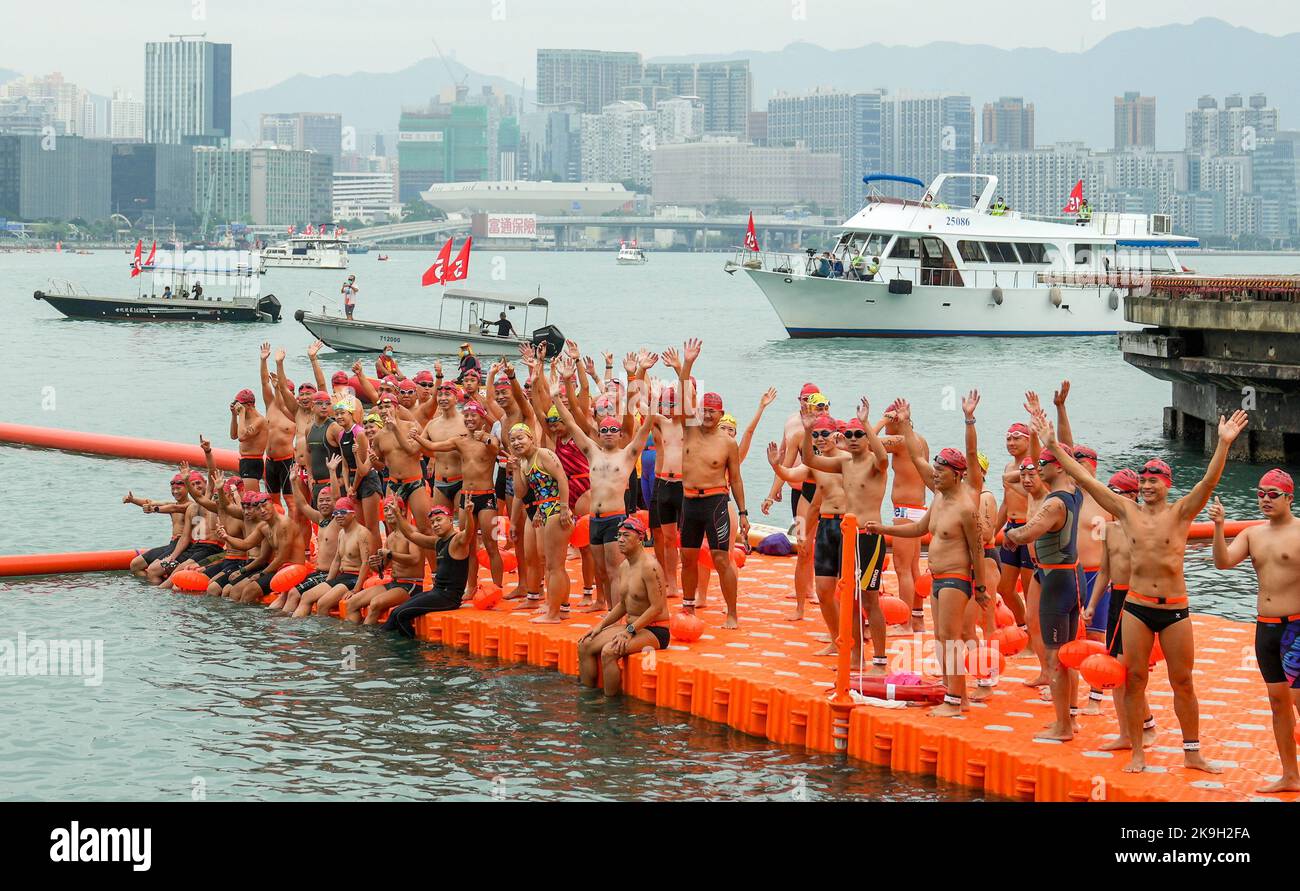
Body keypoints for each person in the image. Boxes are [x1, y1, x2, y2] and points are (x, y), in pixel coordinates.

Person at [1036, 407, 1249, 774]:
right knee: (1134, 678)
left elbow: (1209, 482)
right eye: (1144, 482)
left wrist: (1224, 442)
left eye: (1155, 481)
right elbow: (1087, 482)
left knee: (1182, 681)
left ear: (1167, 484)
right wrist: (1054, 446)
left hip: (1175, 608)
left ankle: (1192, 752)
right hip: (1135, 606)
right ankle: (1137, 750)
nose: (1148, 487)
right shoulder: (1125, 511)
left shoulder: (1181, 513)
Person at [867, 445, 988, 717]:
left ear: (957, 475)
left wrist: (980, 587)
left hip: (956, 578)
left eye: (941, 472)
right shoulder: (940, 500)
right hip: (937, 577)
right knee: (940, 637)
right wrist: (883, 529)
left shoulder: (966, 508)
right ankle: (957, 694)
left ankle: (955, 701)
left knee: (950, 639)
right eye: (935, 471)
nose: (935, 477)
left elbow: (978, 550)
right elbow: (921, 529)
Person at [1208, 471, 1300, 793]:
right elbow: (1223, 562)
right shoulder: (1252, 534)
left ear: (1289, 497)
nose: (1265, 500)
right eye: (1260, 493)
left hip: (1297, 627)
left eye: (1273, 494)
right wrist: (1220, 526)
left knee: (1299, 700)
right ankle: (1290, 776)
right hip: (1266, 629)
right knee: (1277, 702)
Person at [1004, 446, 1083, 741]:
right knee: (1069, 654)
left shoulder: (1053, 504)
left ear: (1059, 467)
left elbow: (1027, 533)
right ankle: (1071, 718)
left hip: (1055, 581)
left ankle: (1062, 726)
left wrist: (1008, 537)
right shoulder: (1075, 490)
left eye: (1042, 463)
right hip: (1071, 576)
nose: (1037, 468)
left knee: (1056, 659)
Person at [670, 339, 749, 629]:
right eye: (703, 410)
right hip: (689, 501)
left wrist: (743, 513)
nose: (707, 415)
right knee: (687, 556)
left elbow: (737, 479)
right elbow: (681, 397)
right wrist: (687, 364)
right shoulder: (689, 430)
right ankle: (688, 607)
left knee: (720, 558)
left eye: (713, 412)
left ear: (721, 414)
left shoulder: (727, 443)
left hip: (716, 501)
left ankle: (731, 612)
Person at [1082, 468, 1156, 753]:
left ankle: (1147, 725)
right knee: (1116, 671)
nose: (1109, 501)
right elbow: (1105, 570)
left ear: (1132, 496)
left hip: (1138, 601)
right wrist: (1091, 604)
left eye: (1115, 494)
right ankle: (1126, 733)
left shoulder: (1146, 528)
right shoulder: (1110, 530)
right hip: (1117, 600)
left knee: (1133, 672)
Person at [577, 515, 669, 696]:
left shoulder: (650, 567)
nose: (620, 540)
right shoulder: (624, 566)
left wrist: (630, 631)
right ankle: (587, 698)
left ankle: (610, 706)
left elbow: (657, 607)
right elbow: (624, 605)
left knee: (609, 652)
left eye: (626, 536)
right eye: (618, 536)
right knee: (585, 644)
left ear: (640, 539)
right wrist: (600, 626)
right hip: (632, 627)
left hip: (655, 630)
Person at [382, 495, 476, 637]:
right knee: (396, 611)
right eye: (432, 522)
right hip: (437, 592)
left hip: (449, 597)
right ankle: (384, 640)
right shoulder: (437, 542)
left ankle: (410, 653)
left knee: (401, 615)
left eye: (439, 520)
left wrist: (468, 514)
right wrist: (396, 513)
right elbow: (411, 535)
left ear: (451, 520)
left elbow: (468, 533)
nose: (435, 524)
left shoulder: (457, 541)